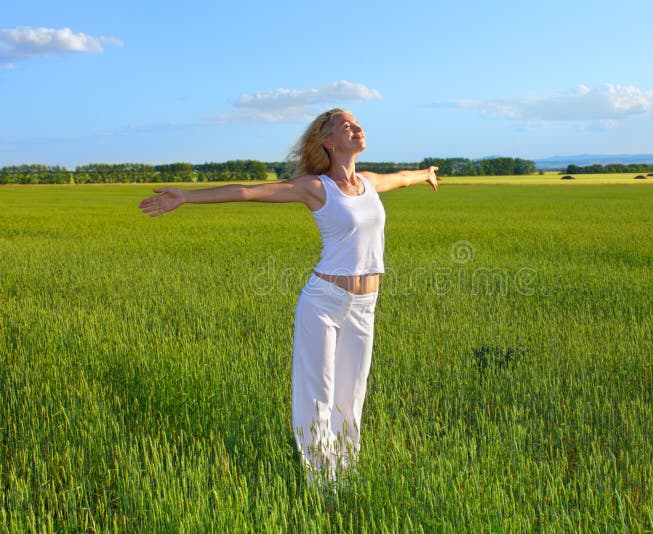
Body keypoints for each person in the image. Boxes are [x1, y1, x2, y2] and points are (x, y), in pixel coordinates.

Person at [138, 108, 439, 484]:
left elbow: (403, 178)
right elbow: (247, 192)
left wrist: (425, 175)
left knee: (351, 396)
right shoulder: (315, 188)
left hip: (365, 306)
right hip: (325, 302)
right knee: (318, 396)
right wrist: (186, 196)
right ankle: (321, 483)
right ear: (328, 142)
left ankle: (346, 475)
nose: (356, 127)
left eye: (357, 122)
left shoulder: (369, 182)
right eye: (346, 125)